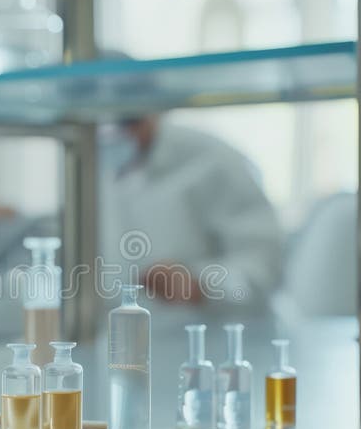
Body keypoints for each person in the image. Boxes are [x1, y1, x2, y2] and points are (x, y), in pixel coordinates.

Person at [100, 115, 284, 317]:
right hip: (127, 340)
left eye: (125, 123)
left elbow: (265, 263)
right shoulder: (91, 163)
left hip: (219, 338)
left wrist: (199, 284)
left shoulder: (213, 159)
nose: (111, 135)